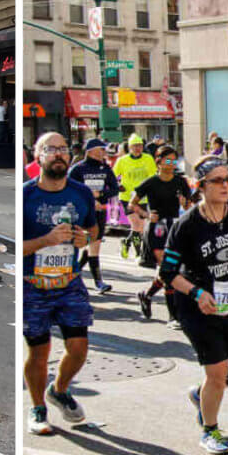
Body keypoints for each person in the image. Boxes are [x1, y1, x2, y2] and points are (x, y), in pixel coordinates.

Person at [163, 158, 228, 454]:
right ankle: (210, 430)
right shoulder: (187, 225)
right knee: (217, 371)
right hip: (200, 308)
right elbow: (167, 274)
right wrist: (196, 294)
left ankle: (202, 394)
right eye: (216, 181)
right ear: (200, 186)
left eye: (227, 179)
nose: (224, 185)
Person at [23, 132, 99, 436]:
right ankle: (38, 408)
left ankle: (60, 389)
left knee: (79, 347)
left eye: (63, 149)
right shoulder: (26, 195)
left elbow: (93, 228)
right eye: (50, 149)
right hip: (34, 285)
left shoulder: (81, 193)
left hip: (69, 282)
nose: (58, 154)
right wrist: (45, 240)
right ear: (38, 157)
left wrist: (87, 238)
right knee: (39, 353)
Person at [131, 145, 194, 327]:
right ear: (158, 162)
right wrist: (146, 214)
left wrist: (185, 203)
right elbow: (132, 204)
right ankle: (173, 316)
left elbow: (189, 205)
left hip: (174, 226)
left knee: (168, 270)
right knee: (167, 268)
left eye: (175, 160)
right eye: (168, 160)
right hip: (157, 229)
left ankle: (147, 294)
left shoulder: (180, 182)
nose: (172, 164)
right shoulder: (151, 182)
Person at [68, 138, 120, 294]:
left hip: (99, 212)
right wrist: (88, 198)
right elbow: (69, 189)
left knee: (94, 245)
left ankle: (98, 282)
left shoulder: (105, 168)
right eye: (101, 150)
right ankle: (71, 274)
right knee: (81, 244)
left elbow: (115, 189)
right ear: (90, 151)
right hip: (81, 212)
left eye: (104, 150)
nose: (104, 153)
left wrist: (102, 194)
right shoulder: (78, 169)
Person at [113, 134, 158, 259]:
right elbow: (112, 176)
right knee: (136, 225)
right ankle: (139, 252)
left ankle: (126, 242)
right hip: (127, 197)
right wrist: (117, 186)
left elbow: (153, 175)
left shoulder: (148, 159)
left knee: (141, 227)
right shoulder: (122, 160)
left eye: (140, 146)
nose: (138, 148)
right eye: (134, 146)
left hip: (143, 197)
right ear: (129, 147)